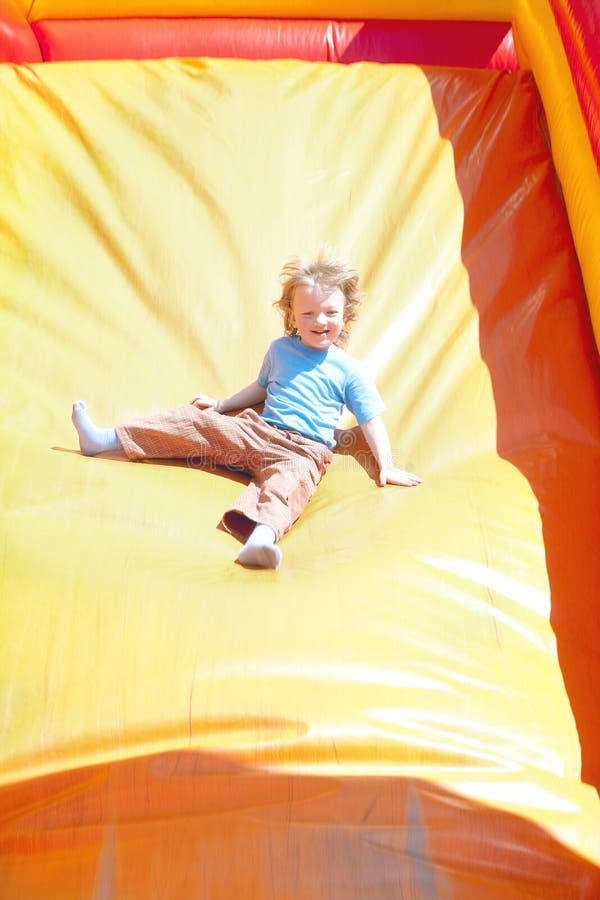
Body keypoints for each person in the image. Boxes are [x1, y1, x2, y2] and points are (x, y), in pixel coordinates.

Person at [72, 250, 421, 570]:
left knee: (287, 487)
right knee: (193, 422)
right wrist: (220, 406)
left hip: (304, 451)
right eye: (308, 313)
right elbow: (260, 388)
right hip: (257, 431)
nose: (320, 321)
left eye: (331, 312)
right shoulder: (280, 350)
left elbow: (371, 421)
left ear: (346, 314)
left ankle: (260, 540)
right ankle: (104, 439)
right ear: (292, 316)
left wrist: (386, 465)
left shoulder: (350, 371)